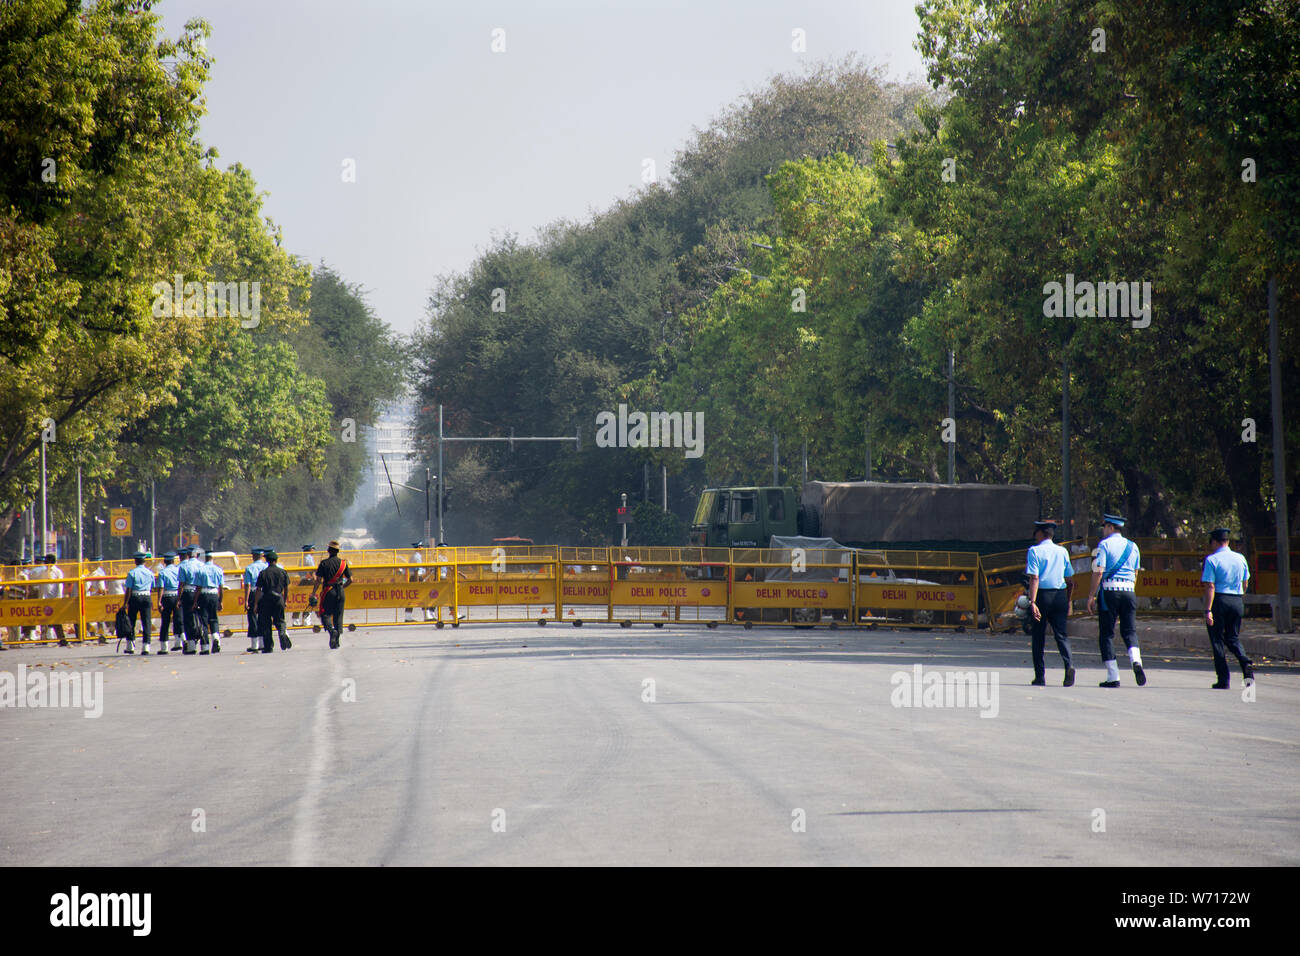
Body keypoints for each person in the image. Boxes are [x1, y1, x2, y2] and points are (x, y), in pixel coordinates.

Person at [1087, 513, 1144, 688]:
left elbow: (1098, 570)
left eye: (1104, 527)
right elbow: (1135, 572)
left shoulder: (1104, 545)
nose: (1103, 531)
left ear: (1110, 527)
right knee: (1129, 631)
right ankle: (1136, 661)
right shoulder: (1133, 546)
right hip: (1129, 591)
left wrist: (1091, 595)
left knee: (1106, 634)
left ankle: (1113, 676)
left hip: (1110, 592)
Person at [1202, 528, 1254, 689]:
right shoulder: (1240, 558)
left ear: (1216, 542)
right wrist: (1238, 597)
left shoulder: (1212, 560)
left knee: (1217, 640)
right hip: (1237, 600)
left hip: (1219, 600)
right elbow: (1246, 582)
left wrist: (1208, 610)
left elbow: (1210, 586)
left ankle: (1223, 679)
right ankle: (1244, 661)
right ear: (1228, 541)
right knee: (1232, 637)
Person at [1025, 520, 1075, 686]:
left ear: (1040, 534)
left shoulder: (1034, 551)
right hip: (1060, 596)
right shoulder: (1062, 551)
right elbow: (1070, 580)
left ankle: (1040, 676)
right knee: (1061, 635)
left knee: (1038, 636)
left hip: (1042, 596)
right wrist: (1068, 601)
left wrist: (1032, 601)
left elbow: (1034, 577)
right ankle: (1069, 665)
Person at [309, 540, 352, 649]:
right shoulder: (343, 563)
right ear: (337, 551)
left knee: (325, 615)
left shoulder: (324, 563)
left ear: (328, 551)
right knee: (338, 616)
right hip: (340, 591)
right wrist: (343, 587)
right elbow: (351, 579)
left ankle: (332, 631)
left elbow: (318, 580)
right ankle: (336, 641)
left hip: (328, 591)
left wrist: (313, 593)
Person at [252, 549, 290, 653]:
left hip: (266, 599)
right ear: (276, 560)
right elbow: (286, 588)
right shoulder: (282, 572)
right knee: (280, 620)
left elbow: (258, 590)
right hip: (279, 598)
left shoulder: (263, 573)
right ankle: (282, 633)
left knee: (266, 623)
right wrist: (285, 600)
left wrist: (255, 604)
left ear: (267, 560)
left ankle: (268, 646)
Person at [123, 551, 155, 654]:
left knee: (131, 621)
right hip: (146, 596)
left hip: (135, 597)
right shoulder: (150, 572)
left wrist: (125, 603)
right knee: (146, 622)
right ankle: (146, 646)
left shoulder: (132, 573)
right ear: (144, 561)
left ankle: (130, 645)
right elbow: (152, 587)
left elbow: (128, 589)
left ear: (135, 561)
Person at [177, 545, 205, 654]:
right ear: (197, 554)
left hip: (188, 593)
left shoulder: (184, 566)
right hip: (201, 592)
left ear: (187, 555)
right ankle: (204, 644)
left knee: (188, 620)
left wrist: (179, 599)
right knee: (201, 618)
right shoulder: (202, 565)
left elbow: (181, 585)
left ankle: (192, 646)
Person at [38, 554, 69, 646]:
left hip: (54, 599)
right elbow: (41, 586)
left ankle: (61, 638)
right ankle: (43, 638)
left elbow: (60, 586)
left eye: (47, 561)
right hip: (45, 599)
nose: (46, 563)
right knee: (43, 620)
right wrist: (41, 597)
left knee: (56, 620)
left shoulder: (57, 572)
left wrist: (58, 598)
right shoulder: (43, 572)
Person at [155, 551, 181, 654]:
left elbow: (161, 587)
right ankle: (179, 642)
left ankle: (164, 647)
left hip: (167, 596)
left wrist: (159, 601)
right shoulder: (179, 570)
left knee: (165, 622)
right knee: (178, 620)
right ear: (173, 561)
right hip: (177, 595)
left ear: (165, 561)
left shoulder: (162, 572)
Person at [200, 548, 225, 653]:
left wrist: (196, 600)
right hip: (214, 594)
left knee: (204, 621)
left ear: (204, 558)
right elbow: (221, 587)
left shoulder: (201, 569)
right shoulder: (218, 569)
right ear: (212, 558)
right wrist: (220, 601)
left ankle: (205, 647)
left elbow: (197, 587)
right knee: (214, 618)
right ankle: (216, 638)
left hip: (204, 594)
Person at [242, 548, 267, 652]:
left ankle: (254, 645)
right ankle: (262, 643)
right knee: (263, 617)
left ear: (254, 556)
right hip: (264, 593)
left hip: (253, 593)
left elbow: (247, 585)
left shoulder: (249, 568)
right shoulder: (266, 566)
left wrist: (246, 600)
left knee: (252, 618)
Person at [292, 544, 316, 627]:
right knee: (308, 600)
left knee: (300, 600)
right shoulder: (309, 558)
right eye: (313, 549)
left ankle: (295, 620)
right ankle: (306, 620)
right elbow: (312, 571)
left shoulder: (301, 558)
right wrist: (315, 580)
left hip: (302, 580)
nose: (314, 550)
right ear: (310, 550)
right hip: (308, 581)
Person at [405, 541, 426, 622]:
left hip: (415, 577)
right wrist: (417, 581)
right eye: (421, 546)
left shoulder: (416, 556)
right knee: (422, 596)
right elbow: (416, 570)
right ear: (418, 547)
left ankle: (408, 616)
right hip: (416, 578)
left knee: (413, 597)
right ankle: (427, 616)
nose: (422, 548)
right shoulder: (416, 557)